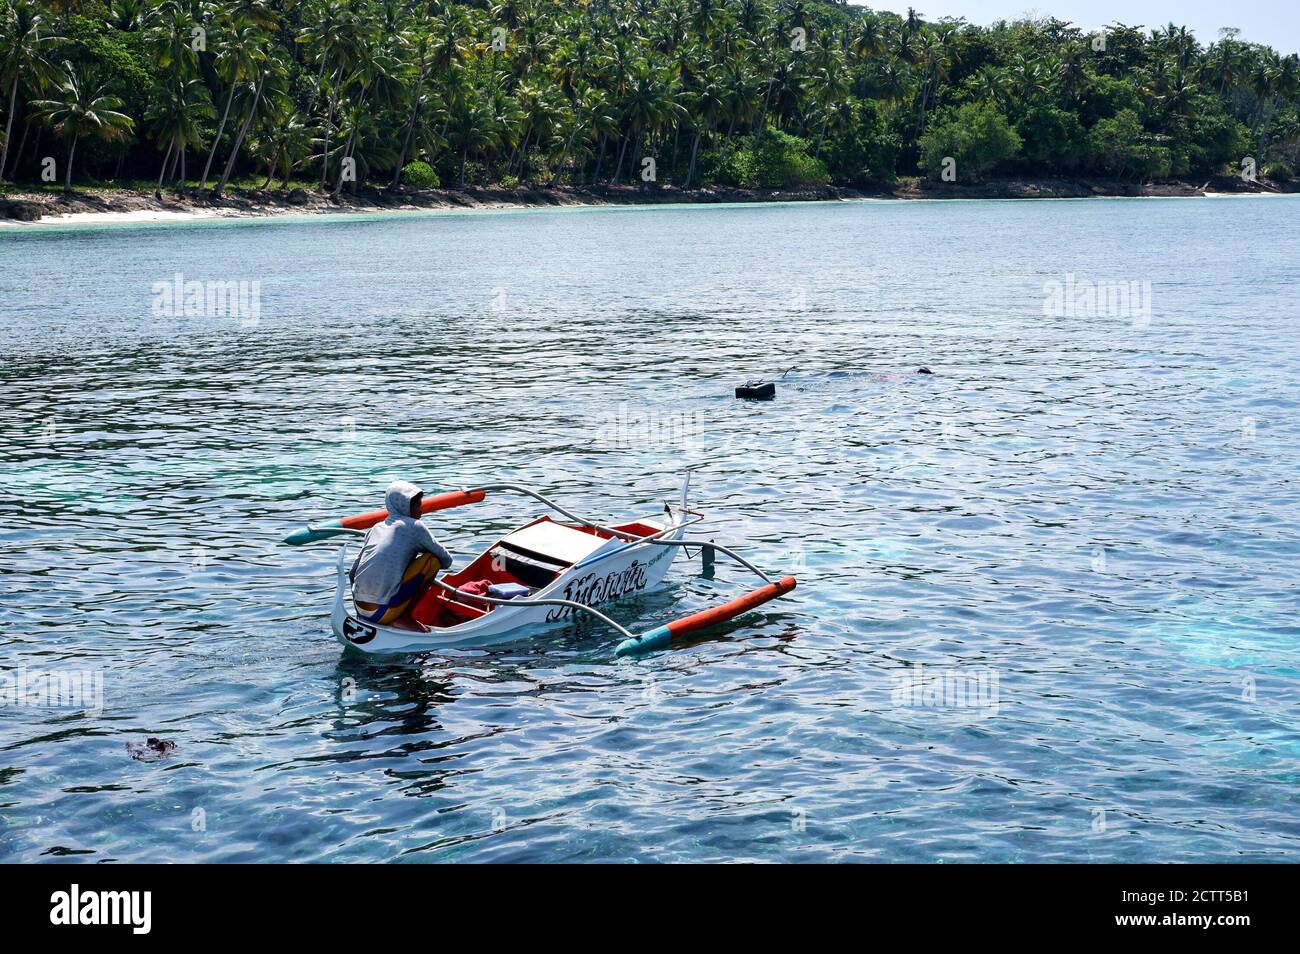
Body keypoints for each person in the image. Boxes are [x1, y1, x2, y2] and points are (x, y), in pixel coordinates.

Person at [350, 481, 454, 631]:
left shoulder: (376, 528)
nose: (421, 510)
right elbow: (446, 560)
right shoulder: (414, 526)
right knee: (432, 560)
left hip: (360, 611)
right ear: (404, 507)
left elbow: (353, 573)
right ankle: (403, 617)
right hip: (381, 612)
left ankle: (382, 613)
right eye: (417, 505)